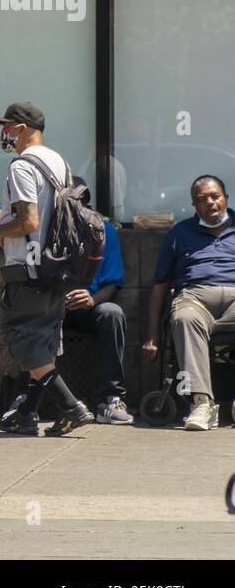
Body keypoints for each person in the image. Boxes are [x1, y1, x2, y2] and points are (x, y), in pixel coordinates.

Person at [0, 102, 94, 436]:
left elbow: (29, 220)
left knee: (22, 338)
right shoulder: (58, 161)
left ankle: (71, 407)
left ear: (21, 128)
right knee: (42, 343)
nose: (4, 132)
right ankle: (27, 414)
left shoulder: (21, 166)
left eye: (8, 126)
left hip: (28, 268)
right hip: (55, 266)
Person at [146, 175, 235, 431]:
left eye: (215, 196)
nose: (210, 202)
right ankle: (201, 404)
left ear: (225, 198)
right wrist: (151, 336)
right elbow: (161, 284)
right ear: (194, 205)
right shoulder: (180, 233)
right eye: (202, 199)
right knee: (184, 318)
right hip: (196, 297)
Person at [64, 176, 132, 425]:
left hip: (89, 307)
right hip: (51, 306)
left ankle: (111, 400)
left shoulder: (104, 231)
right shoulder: (45, 229)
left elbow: (113, 283)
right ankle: (27, 397)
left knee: (112, 313)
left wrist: (91, 300)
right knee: (30, 313)